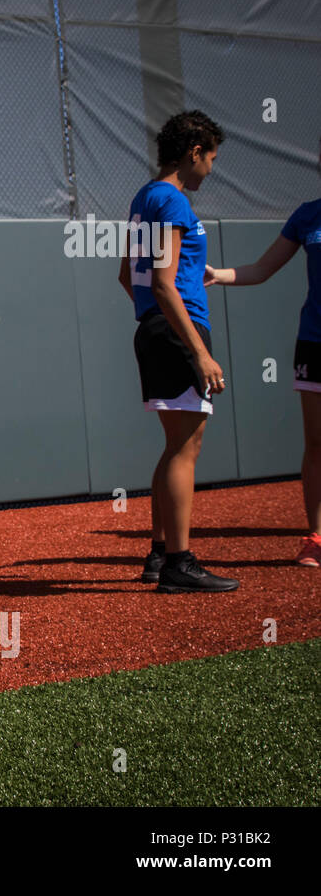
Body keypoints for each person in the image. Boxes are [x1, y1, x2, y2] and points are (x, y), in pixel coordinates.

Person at [119, 110, 237, 593]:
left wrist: (154, 319)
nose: (211, 168)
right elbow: (165, 285)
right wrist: (199, 352)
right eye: (211, 158)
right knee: (186, 449)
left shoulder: (145, 197)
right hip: (179, 330)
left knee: (175, 448)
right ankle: (179, 563)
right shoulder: (174, 201)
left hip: (157, 329)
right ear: (195, 152)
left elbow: (130, 278)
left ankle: (160, 554)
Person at [206, 134, 321, 566]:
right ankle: (317, 537)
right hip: (314, 341)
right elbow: (263, 267)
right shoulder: (307, 216)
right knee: (317, 441)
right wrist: (221, 274)